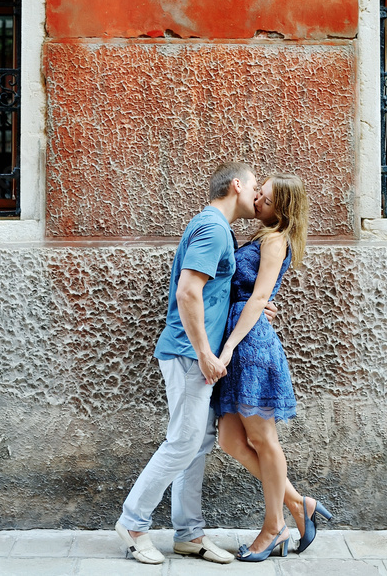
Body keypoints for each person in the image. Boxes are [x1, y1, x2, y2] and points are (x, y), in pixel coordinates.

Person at [115, 162, 260, 565]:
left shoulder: (215, 228)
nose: (257, 194)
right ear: (236, 186)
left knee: (196, 444)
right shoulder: (213, 228)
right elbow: (188, 292)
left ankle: (189, 534)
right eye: (253, 186)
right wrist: (204, 353)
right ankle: (133, 523)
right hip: (187, 353)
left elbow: (210, 292)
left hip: (194, 354)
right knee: (183, 441)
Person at [212, 173, 332, 561]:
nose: (257, 200)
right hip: (241, 335)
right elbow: (249, 293)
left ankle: (274, 526)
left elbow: (260, 293)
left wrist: (229, 345)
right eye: (258, 193)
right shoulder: (262, 237)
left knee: (265, 441)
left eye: (264, 197)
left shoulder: (276, 240)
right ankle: (300, 504)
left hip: (248, 347)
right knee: (230, 440)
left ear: (282, 208)